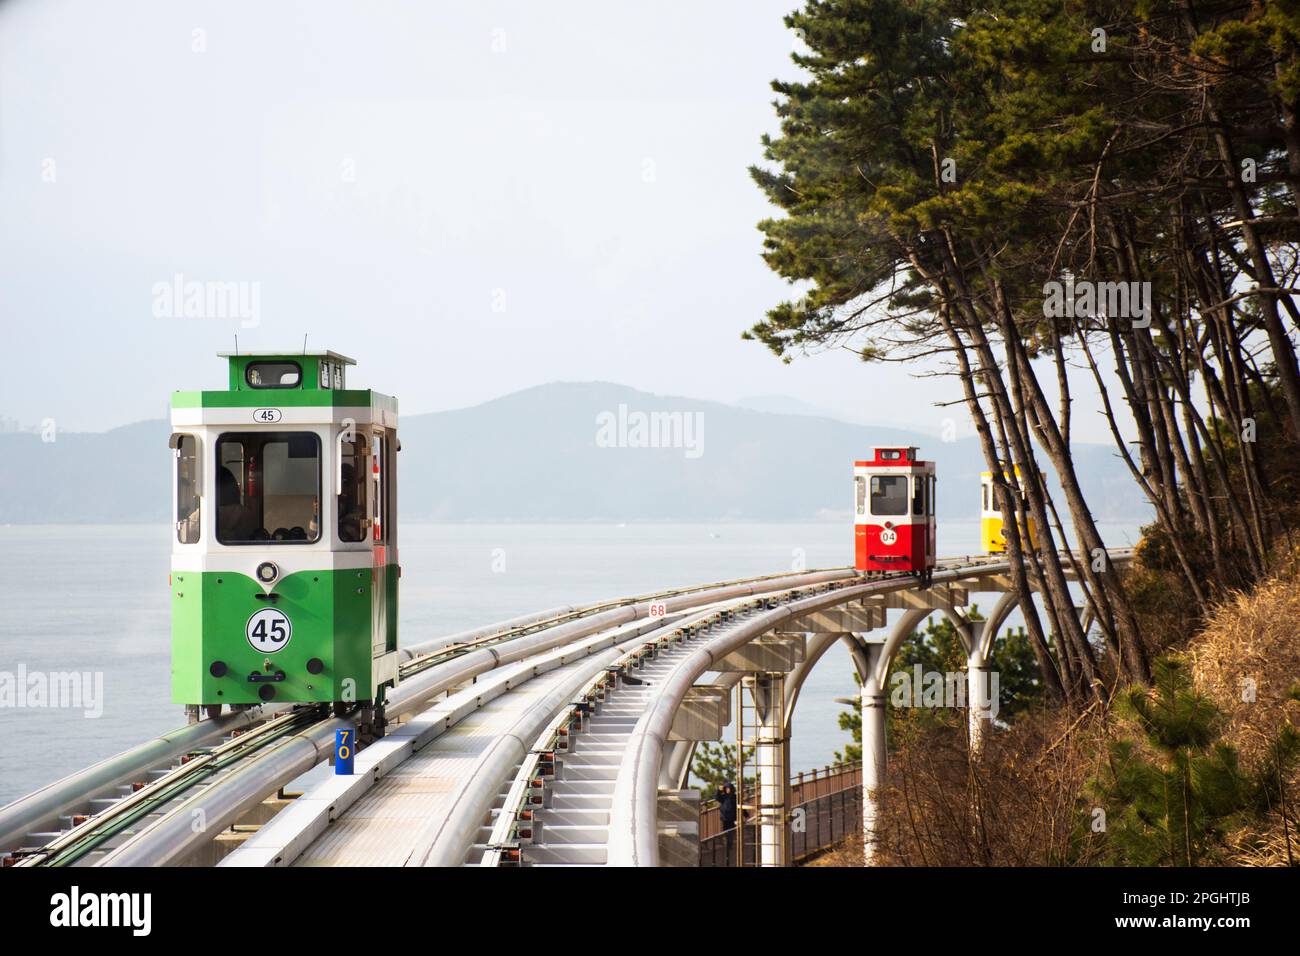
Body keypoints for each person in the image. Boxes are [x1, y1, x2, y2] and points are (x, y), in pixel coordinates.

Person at [717, 781, 738, 863]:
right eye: (726, 788)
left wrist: (745, 814)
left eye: (729, 788)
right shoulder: (723, 797)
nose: (728, 790)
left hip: (731, 818)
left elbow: (738, 805)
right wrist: (718, 790)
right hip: (724, 818)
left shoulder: (734, 797)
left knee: (731, 832)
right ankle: (726, 844)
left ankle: (729, 845)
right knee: (725, 832)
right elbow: (716, 797)